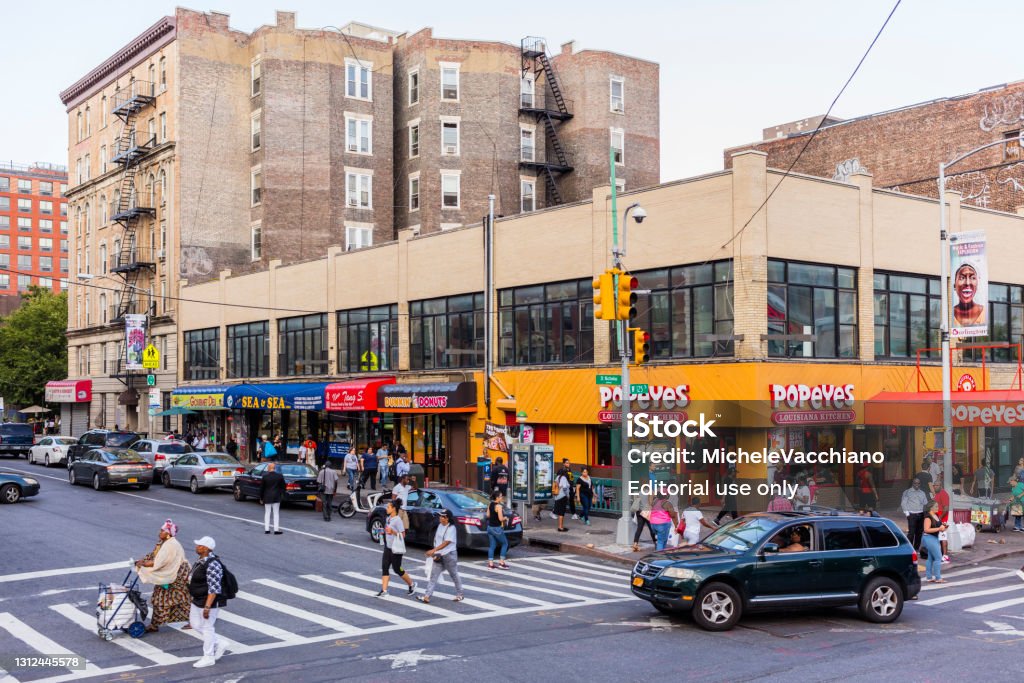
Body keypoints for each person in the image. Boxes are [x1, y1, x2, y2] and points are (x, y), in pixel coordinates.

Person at [135, 519, 190, 633]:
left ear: (168, 533)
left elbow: (158, 562)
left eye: (162, 531)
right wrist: (142, 560)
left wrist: (143, 564)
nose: (159, 533)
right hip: (169, 575)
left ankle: (195, 620)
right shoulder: (163, 543)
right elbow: (154, 555)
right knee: (160, 598)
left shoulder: (171, 545)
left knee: (182, 599)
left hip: (176, 576)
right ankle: (154, 625)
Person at [188, 536, 228, 668]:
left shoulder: (213, 564)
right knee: (195, 625)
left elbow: (214, 588)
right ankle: (219, 642)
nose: (196, 547)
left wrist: (207, 607)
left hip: (208, 601)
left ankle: (208, 656)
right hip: (197, 599)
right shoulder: (201, 560)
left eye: (199, 545)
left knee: (207, 628)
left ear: (206, 548)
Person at [417, 509, 464, 603]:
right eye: (440, 516)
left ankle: (460, 594)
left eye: (442, 516)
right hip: (439, 555)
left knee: (453, 574)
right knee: (433, 575)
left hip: (449, 555)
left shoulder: (451, 528)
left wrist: (433, 550)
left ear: (447, 518)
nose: (440, 518)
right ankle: (427, 596)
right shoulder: (439, 525)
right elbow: (437, 540)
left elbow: (447, 542)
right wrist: (434, 552)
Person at [376, 500, 416, 597]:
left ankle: (412, 584)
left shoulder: (398, 520)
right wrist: (383, 531)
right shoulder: (388, 518)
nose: (387, 509)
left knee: (397, 569)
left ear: (394, 508)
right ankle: (384, 590)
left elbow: (403, 534)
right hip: (388, 547)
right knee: (385, 568)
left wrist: (393, 532)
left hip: (396, 548)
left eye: (388, 507)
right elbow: (388, 530)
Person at [921, 502, 947, 584]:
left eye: (937, 506)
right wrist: (939, 529)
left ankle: (929, 577)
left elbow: (937, 527)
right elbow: (926, 529)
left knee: (931, 558)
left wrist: (943, 527)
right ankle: (938, 577)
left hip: (935, 537)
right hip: (928, 538)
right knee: (938, 557)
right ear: (931, 507)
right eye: (935, 506)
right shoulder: (928, 517)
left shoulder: (936, 516)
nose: (937, 507)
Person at [952, 262, 985, 327]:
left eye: (973, 278)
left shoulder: (984, 312)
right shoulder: (949, 314)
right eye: (962, 278)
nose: (967, 283)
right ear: (954, 286)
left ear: (977, 285)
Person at [900, 478, 928, 551]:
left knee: (919, 533)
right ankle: (909, 548)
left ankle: (916, 548)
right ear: (913, 483)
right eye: (915, 483)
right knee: (911, 533)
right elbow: (903, 503)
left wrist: (925, 514)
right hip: (912, 514)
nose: (917, 485)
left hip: (920, 514)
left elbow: (925, 503)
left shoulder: (922, 493)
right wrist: (907, 514)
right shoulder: (907, 492)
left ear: (920, 484)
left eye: (918, 483)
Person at [487, 489, 511, 570]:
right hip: (497, 528)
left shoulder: (490, 504)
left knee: (492, 546)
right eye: (501, 496)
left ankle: (490, 564)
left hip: (490, 527)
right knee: (505, 544)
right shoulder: (499, 506)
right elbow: (500, 519)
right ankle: (501, 562)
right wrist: (505, 518)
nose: (502, 498)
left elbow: (488, 515)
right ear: (497, 497)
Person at [259, 462, 286, 535]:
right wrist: (281, 494)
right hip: (276, 496)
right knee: (276, 513)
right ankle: (276, 530)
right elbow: (283, 487)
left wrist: (261, 498)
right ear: (274, 468)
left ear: (268, 468)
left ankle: (267, 529)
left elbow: (262, 488)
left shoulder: (265, 477)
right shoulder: (279, 476)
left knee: (267, 513)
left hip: (267, 496)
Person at [934, 483, 951, 563]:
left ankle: (945, 556)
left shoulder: (944, 494)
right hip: (938, 518)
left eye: (937, 485)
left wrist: (940, 518)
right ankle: (941, 555)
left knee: (943, 537)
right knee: (940, 537)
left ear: (941, 486)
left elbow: (946, 508)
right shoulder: (937, 494)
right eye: (934, 485)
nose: (935, 486)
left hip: (942, 519)